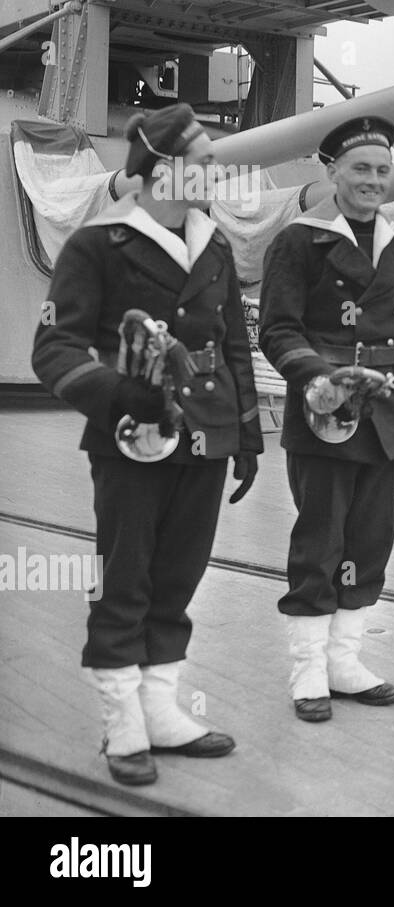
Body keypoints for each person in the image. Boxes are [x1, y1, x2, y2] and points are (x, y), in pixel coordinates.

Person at [32, 103, 261, 786]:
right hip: (131, 440)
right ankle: (121, 722)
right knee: (124, 580)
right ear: (163, 168)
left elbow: (234, 345)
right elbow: (55, 348)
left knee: (178, 578)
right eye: (205, 163)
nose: (216, 174)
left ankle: (160, 708)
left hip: (203, 437)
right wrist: (117, 394)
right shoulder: (99, 246)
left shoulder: (214, 245)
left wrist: (244, 431)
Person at [259, 116, 394, 722]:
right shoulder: (299, 241)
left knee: (369, 541)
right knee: (320, 540)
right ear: (331, 171)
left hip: (387, 414)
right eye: (360, 169)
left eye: (383, 171)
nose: (373, 181)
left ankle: (345, 661)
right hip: (326, 415)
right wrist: (318, 377)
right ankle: (308, 670)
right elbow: (277, 329)